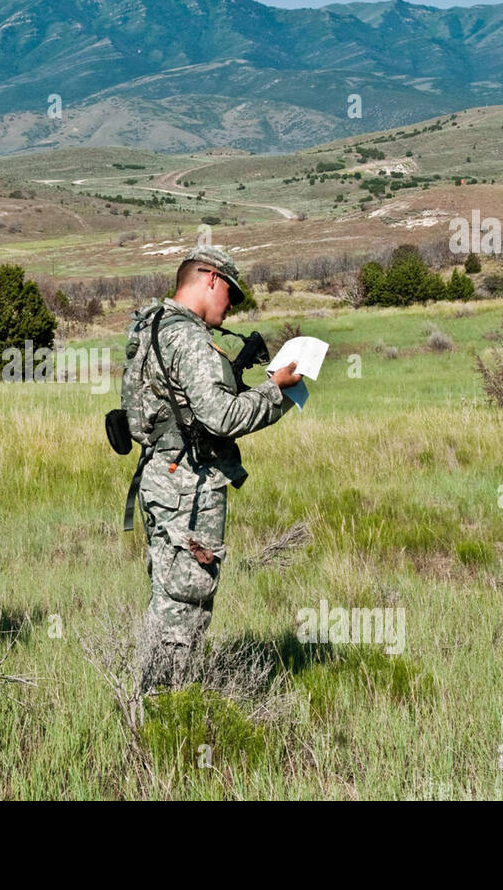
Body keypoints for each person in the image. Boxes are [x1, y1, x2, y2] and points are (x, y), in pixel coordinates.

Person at [132, 246, 301, 689]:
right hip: (188, 488)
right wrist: (275, 391)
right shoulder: (188, 338)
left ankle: (154, 700)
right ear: (209, 279)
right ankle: (168, 707)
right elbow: (221, 417)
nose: (232, 305)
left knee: (169, 597)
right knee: (185, 604)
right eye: (231, 292)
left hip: (162, 477)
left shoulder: (151, 326)